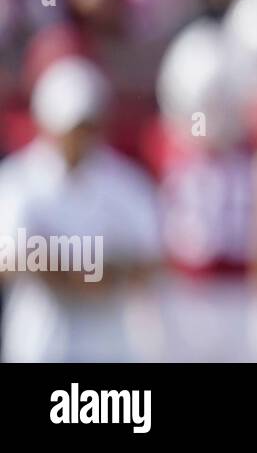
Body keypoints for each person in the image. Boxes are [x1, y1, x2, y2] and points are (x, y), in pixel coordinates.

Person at [0, 57, 162, 362]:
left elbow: (150, 263)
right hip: (38, 345)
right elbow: (8, 261)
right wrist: (88, 270)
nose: (78, 138)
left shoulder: (127, 184)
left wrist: (75, 271)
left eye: (86, 126)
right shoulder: (17, 181)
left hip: (109, 348)